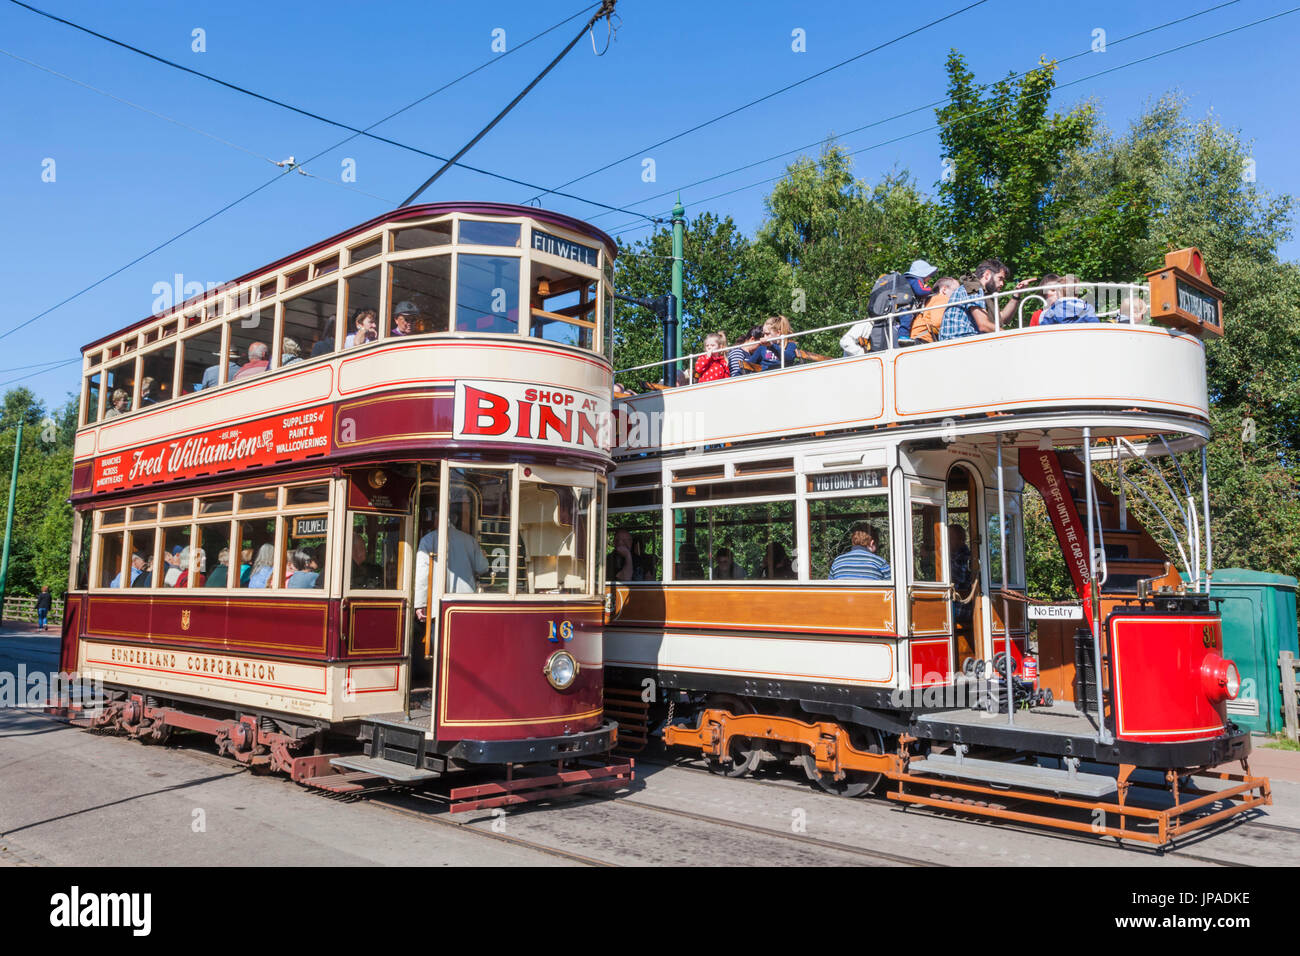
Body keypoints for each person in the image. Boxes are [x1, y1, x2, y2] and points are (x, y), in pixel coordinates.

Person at [414, 509, 491, 620]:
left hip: (437, 606)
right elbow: (482, 567)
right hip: (466, 603)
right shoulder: (469, 540)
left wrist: (420, 603)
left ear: (437, 520)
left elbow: (423, 573)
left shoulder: (428, 540)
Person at [939, 258, 1033, 340]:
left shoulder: (982, 292)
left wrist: (1017, 294)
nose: (1002, 284)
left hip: (963, 341)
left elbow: (1001, 319)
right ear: (987, 275)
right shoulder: (973, 285)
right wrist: (1011, 335)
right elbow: (983, 325)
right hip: (959, 341)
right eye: (1000, 278)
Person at [908, 277, 959, 344]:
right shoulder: (942, 298)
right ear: (944, 290)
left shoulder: (931, 299)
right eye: (955, 290)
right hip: (923, 339)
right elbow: (937, 323)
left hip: (918, 336)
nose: (958, 294)